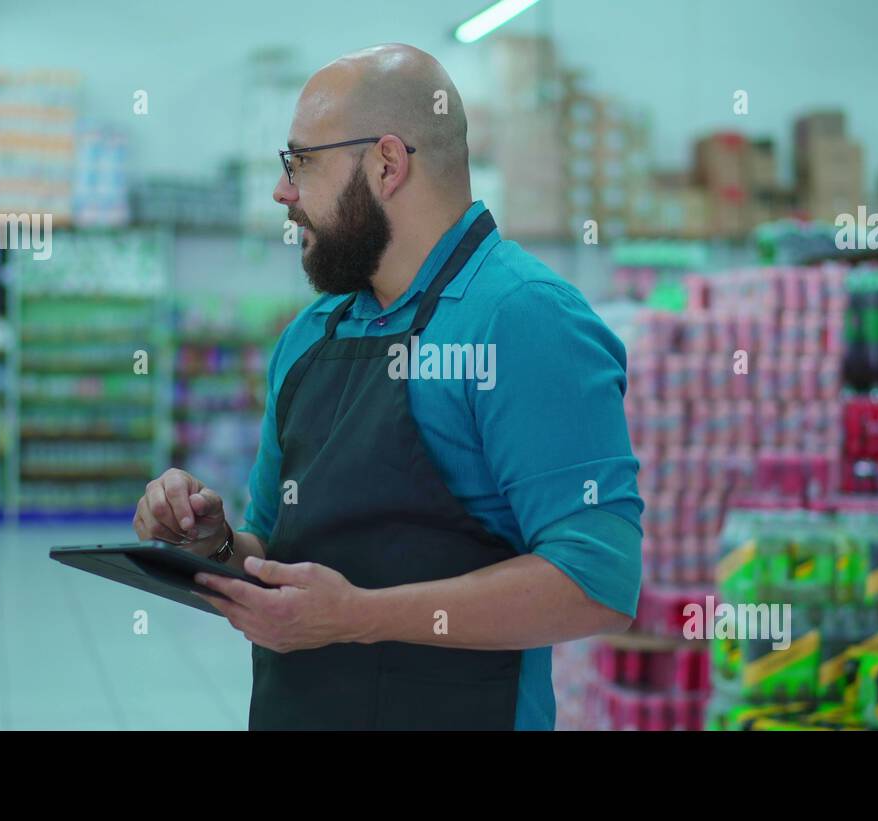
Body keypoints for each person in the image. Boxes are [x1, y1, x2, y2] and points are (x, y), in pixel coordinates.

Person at [134, 43, 642, 730]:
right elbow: (274, 551)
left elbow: (596, 582)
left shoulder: (525, 319)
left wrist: (359, 618)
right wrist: (216, 545)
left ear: (386, 163)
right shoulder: (312, 334)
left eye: (300, 162)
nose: (283, 191)